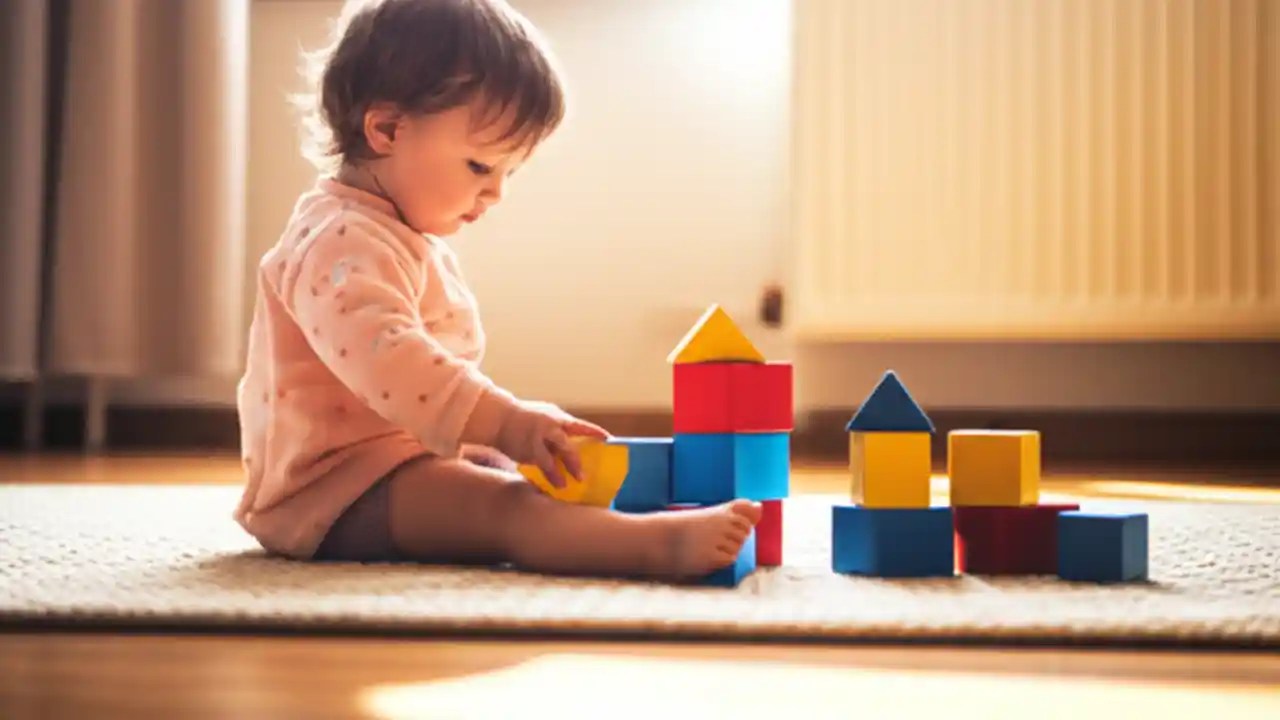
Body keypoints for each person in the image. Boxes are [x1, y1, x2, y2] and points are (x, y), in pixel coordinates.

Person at [234, 0, 760, 580]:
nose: (497, 194)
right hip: (333, 492)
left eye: (510, 173)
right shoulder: (338, 242)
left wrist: (490, 443)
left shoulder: (389, 231)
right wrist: (505, 421)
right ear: (386, 130)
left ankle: (598, 523)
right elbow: (391, 362)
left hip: (393, 466)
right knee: (508, 509)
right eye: (481, 167)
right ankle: (654, 549)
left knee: (519, 479)